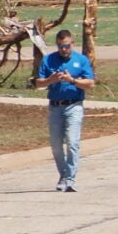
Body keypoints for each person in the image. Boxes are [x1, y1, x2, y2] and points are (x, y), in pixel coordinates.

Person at [34, 28, 95, 192]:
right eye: (60, 46)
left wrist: (72, 80)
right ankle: (63, 175)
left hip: (74, 105)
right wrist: (50, 79)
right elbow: (38, 83)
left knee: (72, 142)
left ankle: (70, 179)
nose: (63, 49)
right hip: (55, 107)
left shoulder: (81, 60)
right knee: (55, 145)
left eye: (66, 46)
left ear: (72, 44)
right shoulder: (48, 60)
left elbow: (90, 83)